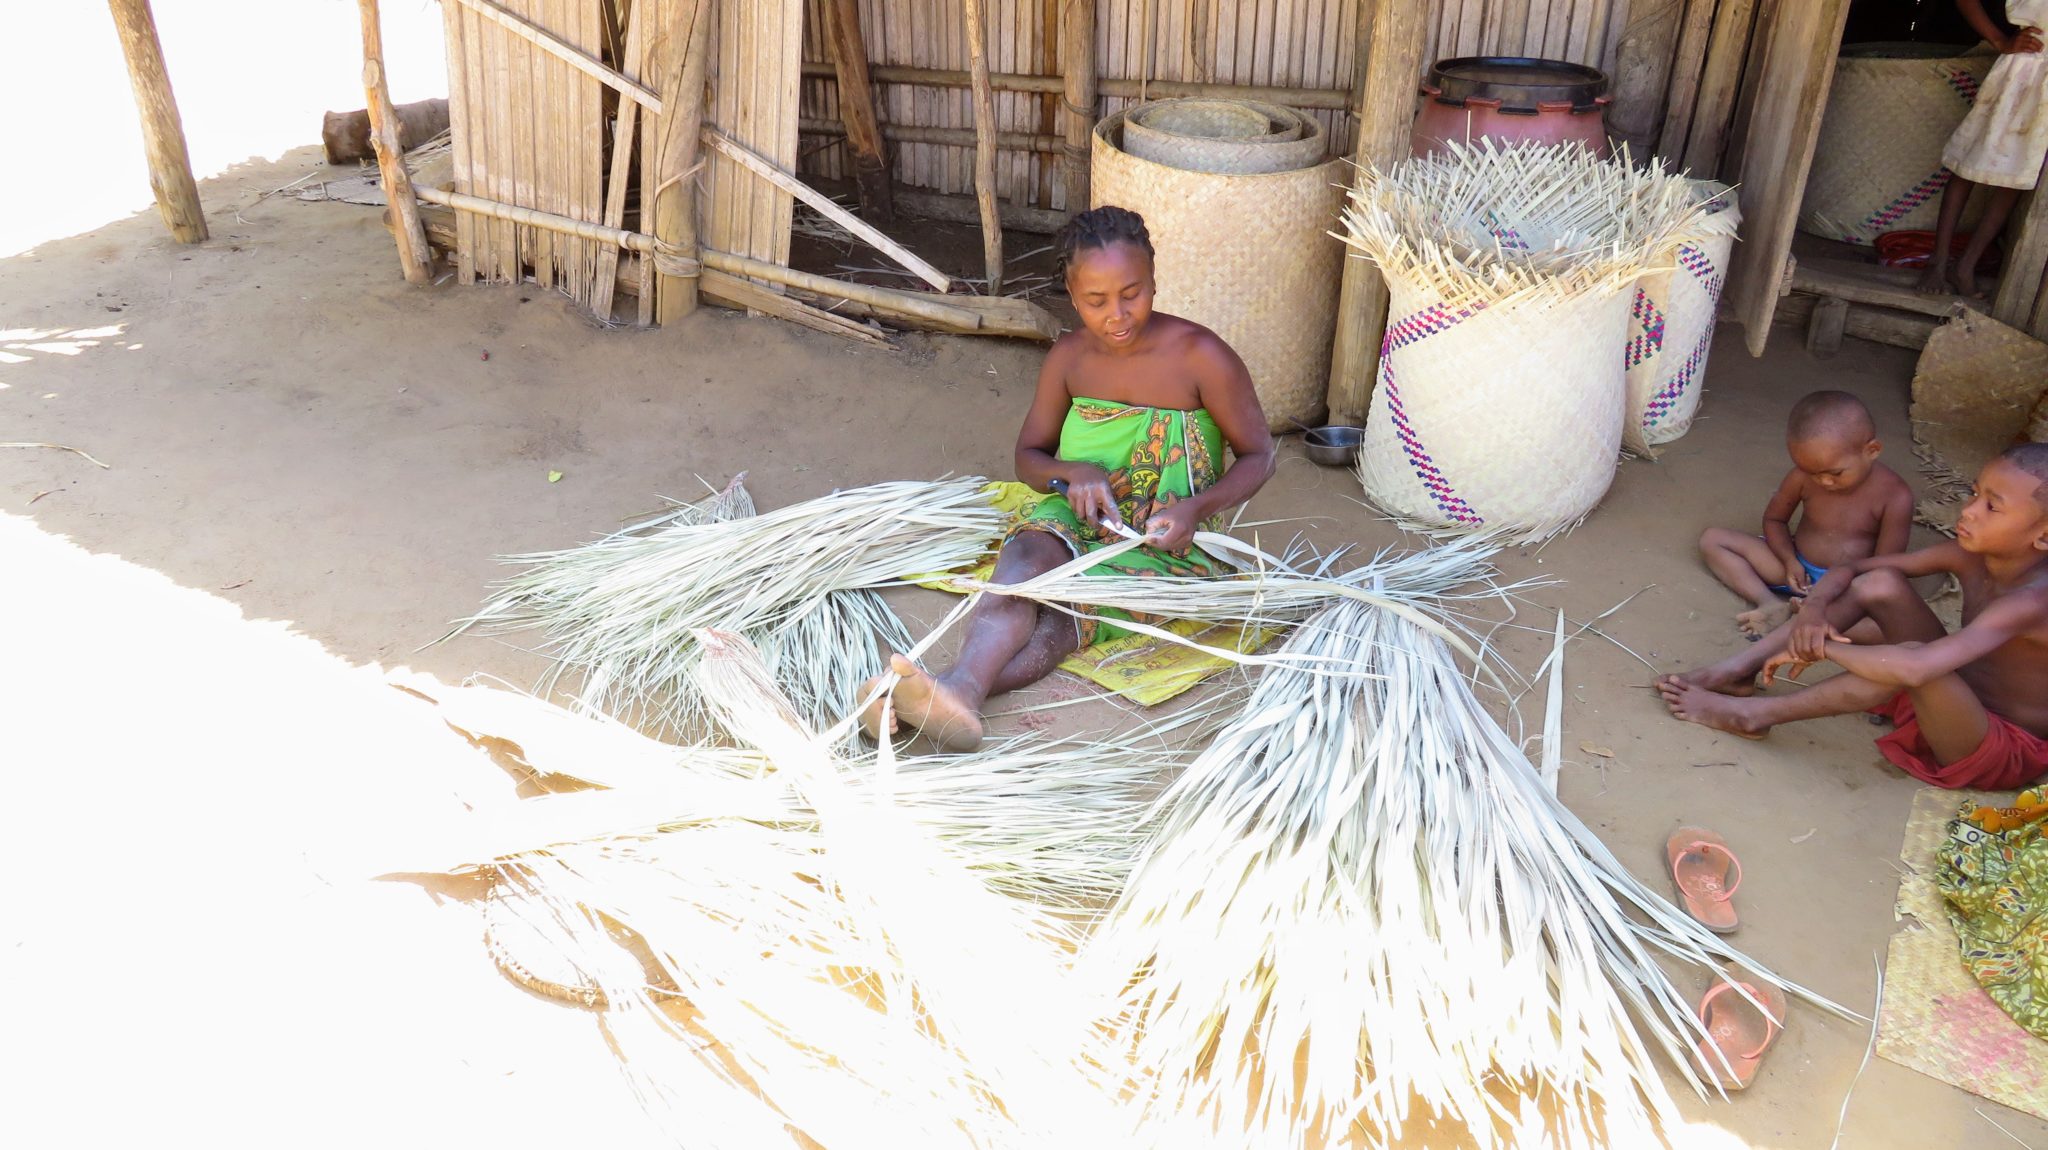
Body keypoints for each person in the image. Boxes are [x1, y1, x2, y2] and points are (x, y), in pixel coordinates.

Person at [860, 206, 1276, 752]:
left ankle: (937, 696)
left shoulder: (1204, 358)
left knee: (1067, 620)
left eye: (1133, 293)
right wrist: (1072, 473)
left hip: (1165, 539)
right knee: (1028, 565)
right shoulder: (1069, 358)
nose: (1118, 314)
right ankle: (950, 694)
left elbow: (1260, 455)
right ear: (1072, 295)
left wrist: (1196, 509)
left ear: (1154, 278)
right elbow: (1029, 459)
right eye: (1096, 301)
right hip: (1077, 516)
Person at [1658, 443, 2048, 791]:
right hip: (1953, 685)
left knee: (1909, 658)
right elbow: (1856, 570)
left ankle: (1753, 716)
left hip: (1995, 744)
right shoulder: (1968, 554)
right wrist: (1812, 612)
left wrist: (1822, 648)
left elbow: (1916, 668)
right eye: (1974, 493)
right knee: (1880, 583)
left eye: (1992, 506)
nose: (1969, 511)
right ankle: (1740, 669)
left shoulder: (2033, 601)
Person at [1696, 391, 1914, 638]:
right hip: (1797, 571)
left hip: (1848, 586)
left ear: (1872, 450)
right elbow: (1775, 520)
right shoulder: (1802, 477)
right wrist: (1789, 560)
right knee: (1713, 540)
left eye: (1836, 472)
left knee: (1889, 626)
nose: (1823, 481)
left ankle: (1810, 619)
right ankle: (1769, 603)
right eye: (1811, 472)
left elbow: (1885, 567)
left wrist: (1832, 593)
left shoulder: (1895, 496)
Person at [1917, 1, 2048, 298]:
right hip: (2023, 73)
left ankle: (1965, 266)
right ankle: (1937, 262)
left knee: (2015, 175)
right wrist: (2000, 40)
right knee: (1969, 163)